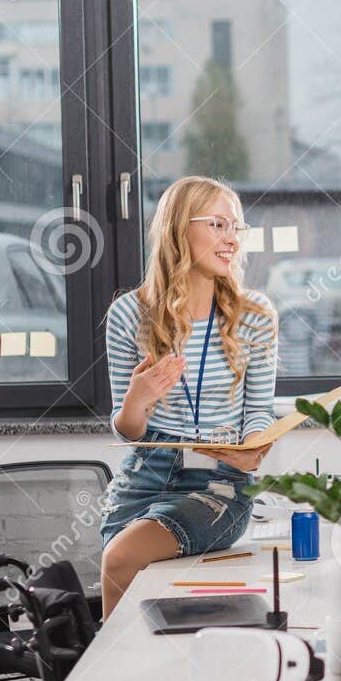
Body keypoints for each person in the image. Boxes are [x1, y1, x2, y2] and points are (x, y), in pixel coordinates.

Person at [99, 175, 277, 617]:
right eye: (217, 225)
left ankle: (114, 661)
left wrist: (253, 450)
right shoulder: (128, 314)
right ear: (179, 229)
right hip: (144, 476)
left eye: (235, 227)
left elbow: (258, 410)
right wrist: (136, 401)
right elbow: (128, 432)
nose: (231, 239)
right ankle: (135, 660)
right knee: (135, 592)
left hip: (219, 482)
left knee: (120, 558)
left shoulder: (255, 315)